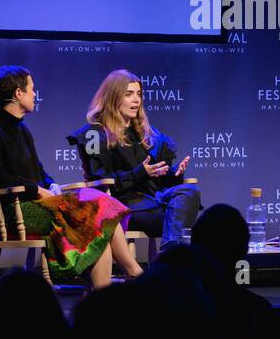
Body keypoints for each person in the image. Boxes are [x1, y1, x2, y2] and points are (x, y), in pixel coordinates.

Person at [0, 65, 139, 288]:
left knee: (98, 233)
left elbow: (38, 169)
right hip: (15, 211)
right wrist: (35, 189)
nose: (35, 94)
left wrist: (50, 184)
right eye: (31, 89)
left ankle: (105, 300)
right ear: (17, 94)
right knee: (93, 201)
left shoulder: (22, 130)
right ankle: (134, 271)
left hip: (39, 205)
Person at [68, 69, 201, 251]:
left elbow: (156, 180)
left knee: (190, 191)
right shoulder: (94, 133)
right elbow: (98, 180)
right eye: (128, 94)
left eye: (138, 94)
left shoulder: (144, 132)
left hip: (153, 199)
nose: (136, 100)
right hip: (122, 204)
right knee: (175, 220)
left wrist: (172, 173)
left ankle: (170, 250)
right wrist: (140, 173)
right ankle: (171, 253)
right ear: (113, 97)